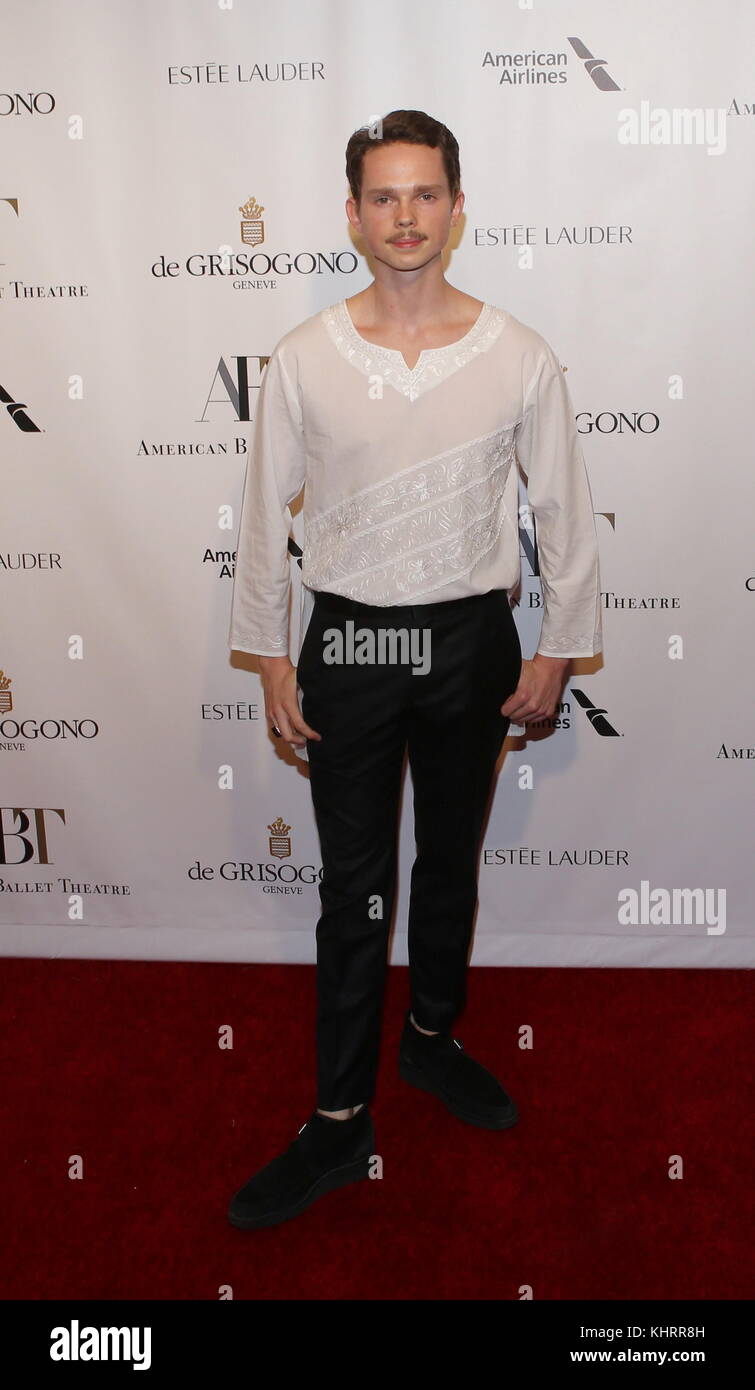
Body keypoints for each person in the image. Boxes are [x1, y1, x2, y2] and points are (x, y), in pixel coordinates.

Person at [226, 109, 603, 1230]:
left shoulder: (518, 353)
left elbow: (563, 514)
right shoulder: (300, 359)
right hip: (346, 641)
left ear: (454, 207)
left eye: (423, 193)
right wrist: (267, 659)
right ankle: (339, 1121)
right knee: (352, 887)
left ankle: (431, 1037)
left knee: (447, 860)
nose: (404, 215)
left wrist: (552, 644)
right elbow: (259, 526)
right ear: (352, 215)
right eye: (382, 196)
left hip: (466, 643)